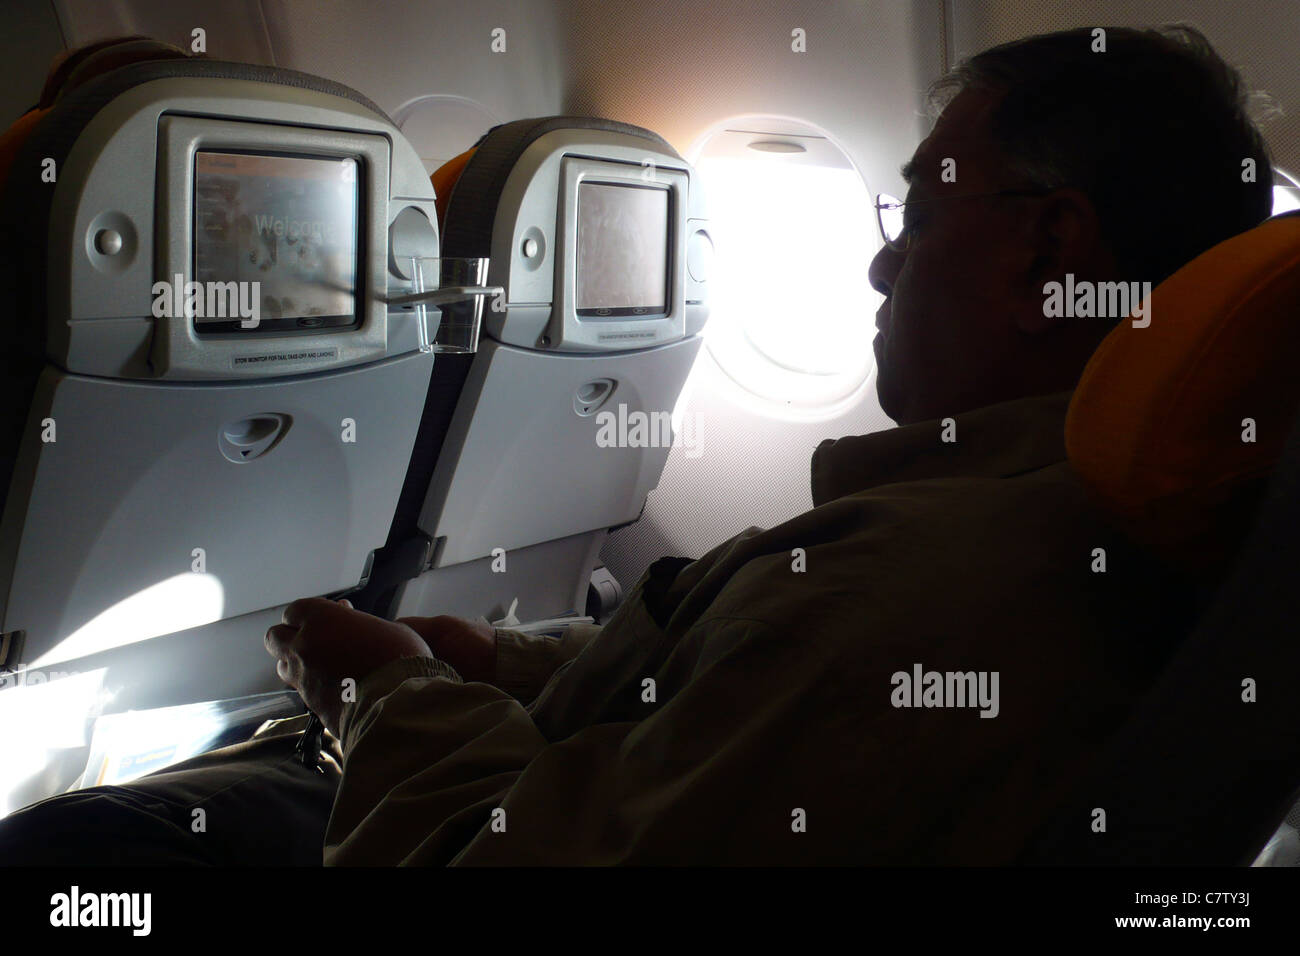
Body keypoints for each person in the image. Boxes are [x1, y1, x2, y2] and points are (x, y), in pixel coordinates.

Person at [0, 23, 1276, 864]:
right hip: (556, 756)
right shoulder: (1062, 507)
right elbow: (728, 685)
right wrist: (504, 655)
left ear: (1051, 252)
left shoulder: (927, 585)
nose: (886, 256)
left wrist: (377, 692)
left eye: (923, 209)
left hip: (477, 812)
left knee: (70, 860)